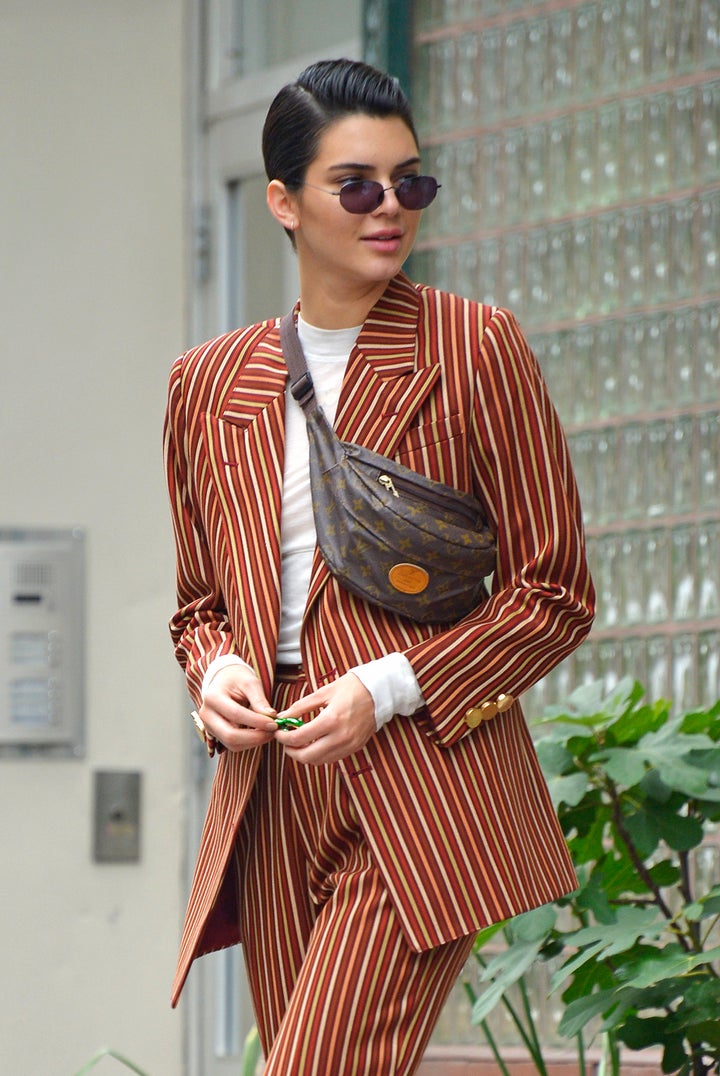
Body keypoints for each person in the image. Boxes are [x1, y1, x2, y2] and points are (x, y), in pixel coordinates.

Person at [164, 58, 595, 1075]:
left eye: (412, 181)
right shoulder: (206, 384)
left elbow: (554, 592)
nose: (390, 206)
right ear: (284, 200)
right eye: (356, 184)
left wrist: (388, 686)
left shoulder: (475, 348)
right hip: (271, 782)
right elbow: (197, 604)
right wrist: (216, 667)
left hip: (421, 781)